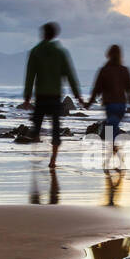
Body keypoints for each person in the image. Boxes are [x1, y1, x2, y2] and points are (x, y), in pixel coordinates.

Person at [20, 22, 83, 169]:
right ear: (55, 34)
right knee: (55, 129)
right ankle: (53, 161)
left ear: (43, 33)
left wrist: (27, 97)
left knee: (37, 125)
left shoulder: (35, 51)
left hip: (41, 96)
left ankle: (36, 142)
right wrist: (77, 95)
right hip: (55, 96)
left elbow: (30, 76)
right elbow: (70, 75)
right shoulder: (60, 52)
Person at [86, 44, 130, 166]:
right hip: (121, 106)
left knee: (110, 130)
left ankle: (116, 153)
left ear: (108, 55)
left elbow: (96, 90)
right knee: (113, 129)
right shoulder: (124, 70)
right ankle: (112, 157)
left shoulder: (104, 70)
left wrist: (89, 103)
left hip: (110, 105)